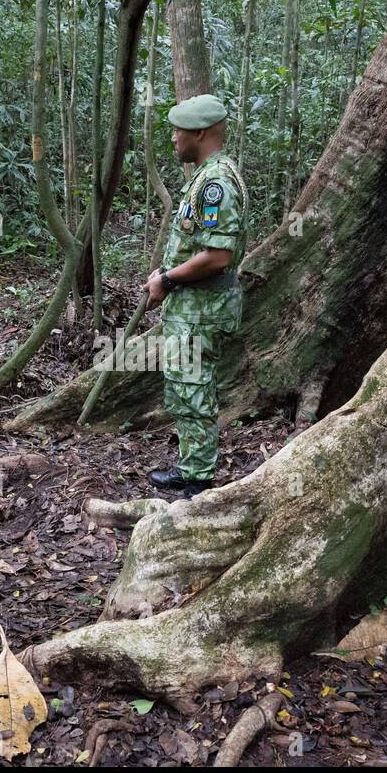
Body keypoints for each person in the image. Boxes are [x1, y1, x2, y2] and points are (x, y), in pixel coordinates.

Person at [145, 94, 249, 498]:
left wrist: (168, 279)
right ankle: (191, 467)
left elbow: (218, 255)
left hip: (203, 310)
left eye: (179, 131)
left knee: (193, 390)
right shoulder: (207, 175)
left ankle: (198, 483)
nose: (173, 138)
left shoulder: (217, 182)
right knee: (185, 388)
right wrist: (167, 275)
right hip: (194, 307)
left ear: (200, 133)